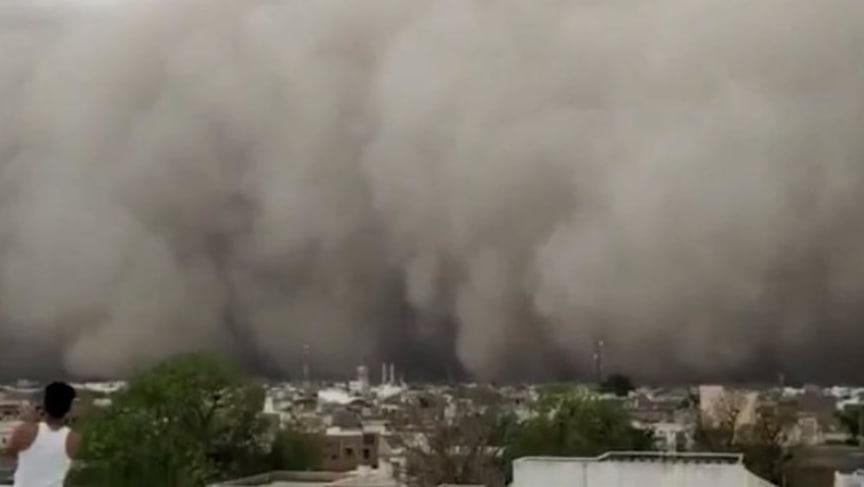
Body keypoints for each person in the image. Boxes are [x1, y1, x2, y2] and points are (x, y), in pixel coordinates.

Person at [2, 382, 81, 487]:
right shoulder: (74, 439)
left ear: (44, 404)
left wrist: (30, 421)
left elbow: (9, 453)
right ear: (69, 408)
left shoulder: (24, 431)